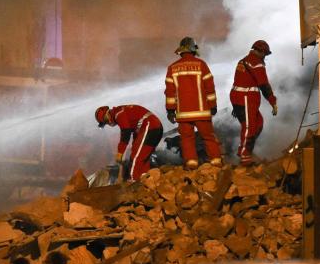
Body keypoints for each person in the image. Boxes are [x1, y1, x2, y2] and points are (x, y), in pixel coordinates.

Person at [164, 37, 223, 169]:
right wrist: (213, 105)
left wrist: (170, 110)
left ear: (181, 51)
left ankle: (191, 163)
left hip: (183, 113)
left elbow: (170, 92)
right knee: (208, 137)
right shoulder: (201, 65)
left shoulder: (172, 68)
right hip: (202, 111)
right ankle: (216, 162)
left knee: (186, 139)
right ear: (193, 49)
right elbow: (210, 88)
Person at [231, 40, 279, 165]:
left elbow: (240, 81)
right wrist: (272, 101)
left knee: (258, 123)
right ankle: (245, 155)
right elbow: (264, 84)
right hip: (245, 98)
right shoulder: (256, 63)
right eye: (265, 54)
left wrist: (236, 106)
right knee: (249, 127)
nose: (265, 57)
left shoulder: (244, 60)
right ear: (261, 51)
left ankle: (246, 150)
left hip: (241, 98)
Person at [94, 105, 163, 181]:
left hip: (150, 125)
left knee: (136, 158)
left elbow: (126, 132)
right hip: (154, 126)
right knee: (142, 157)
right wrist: (133, 147)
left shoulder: (119, 114)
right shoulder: (121, 111)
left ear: (107, 115)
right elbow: (136, 132)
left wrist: (120, 153)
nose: (108, 124)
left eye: (106, 122)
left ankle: (134, 182)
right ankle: (145, 180)